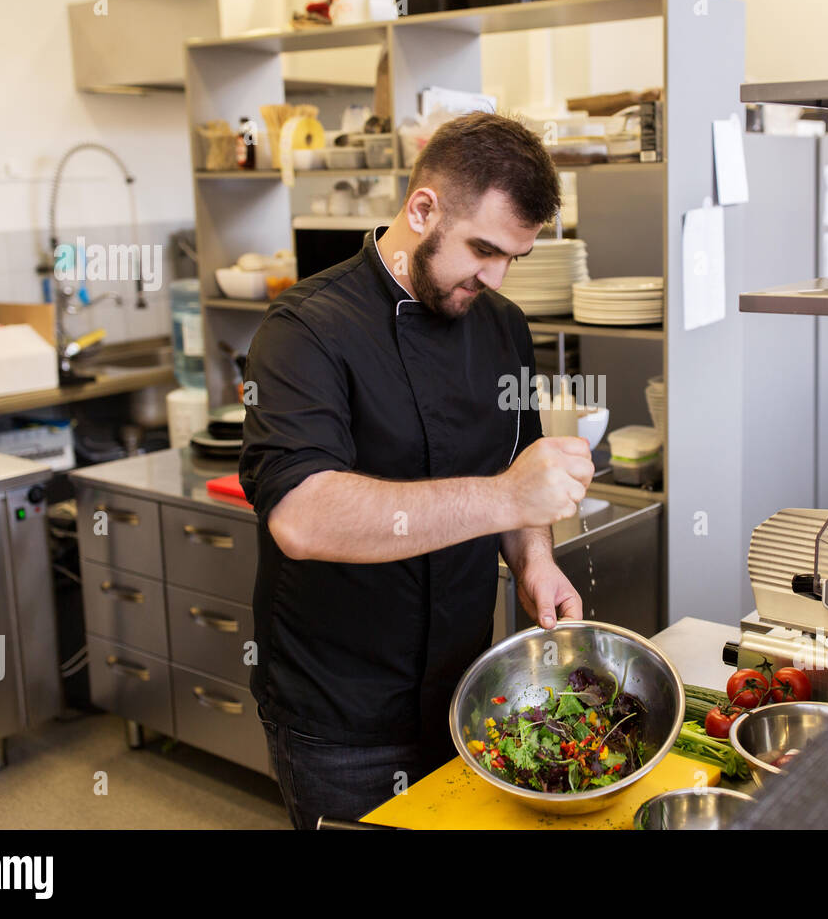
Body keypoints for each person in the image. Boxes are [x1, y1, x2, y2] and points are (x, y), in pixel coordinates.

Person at [239, 112, 595, 829]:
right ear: (423, 207)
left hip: (467, 690)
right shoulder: (304, 330)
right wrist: (505, 497)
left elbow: (515, 476)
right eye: (484, 249)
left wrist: (534, 561)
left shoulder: (503, 326)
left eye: (513, 259)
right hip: (341, 713)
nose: (494, 277)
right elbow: (302, 517)